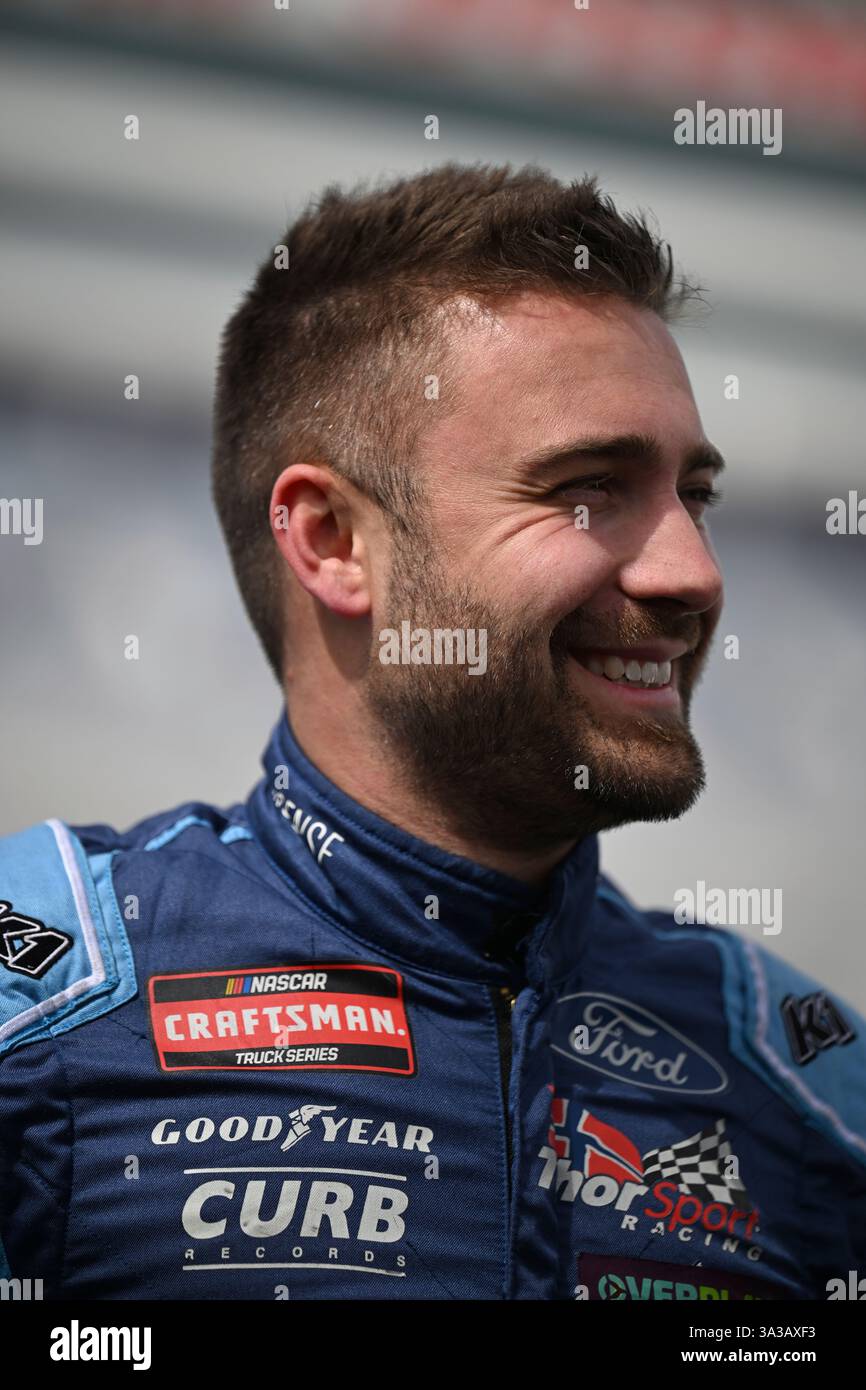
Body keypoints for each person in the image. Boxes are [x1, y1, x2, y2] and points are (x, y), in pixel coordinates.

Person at [1, 164, 863, 1302]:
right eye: (587, 490)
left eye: (689, 496)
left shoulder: (805, 1076)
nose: (691, 574)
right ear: (332, 541)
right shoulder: (47, 996)